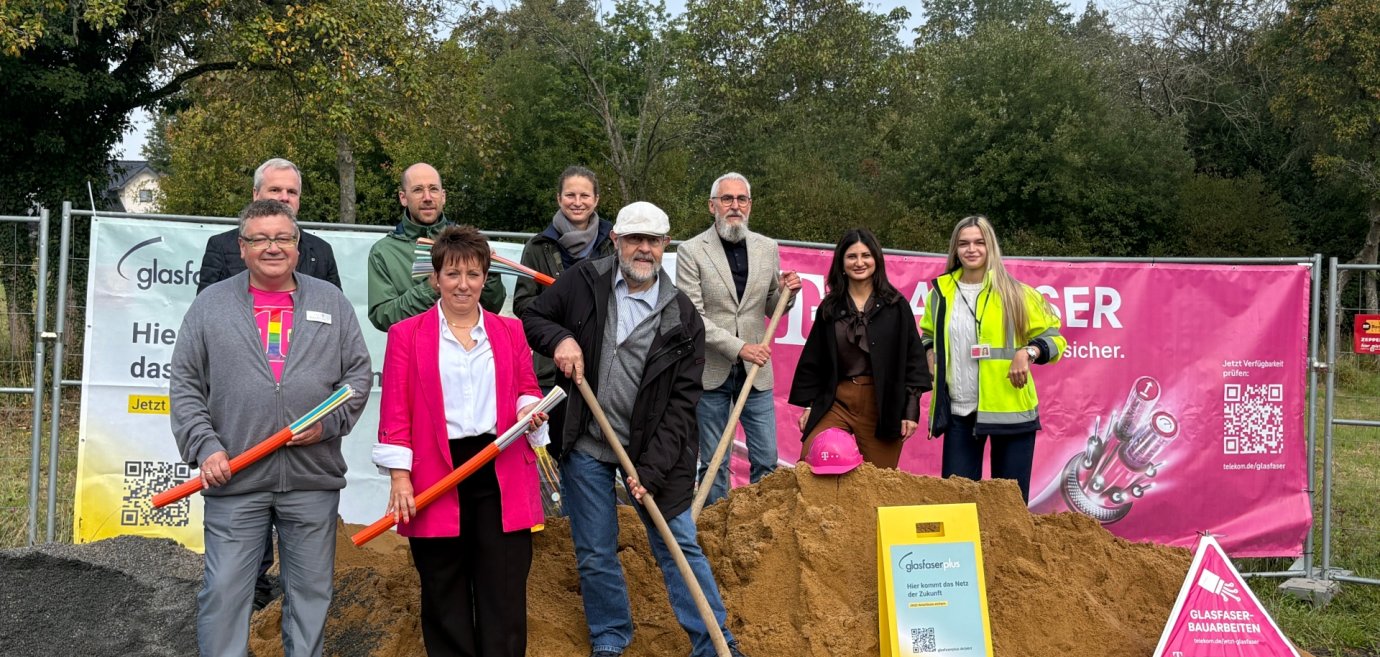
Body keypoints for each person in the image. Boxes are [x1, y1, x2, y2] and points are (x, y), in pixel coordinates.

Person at [522, 202, 751, 657]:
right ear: (616, 241)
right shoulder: (583, 283)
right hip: (586, 439)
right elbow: (534, 316)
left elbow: (683, 406)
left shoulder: (682, 316)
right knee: (594, 548)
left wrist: (650, 470)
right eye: (635, 240)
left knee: (678, 543)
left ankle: (713, 641)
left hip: (655, 451)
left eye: (653, 241)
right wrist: (562, 339)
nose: (643, 249)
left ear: (666, 247)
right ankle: (609, 636)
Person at [170, 199, 372, 657]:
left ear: (298, 247)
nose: (272, 247)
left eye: (283, 238)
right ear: (242, 248)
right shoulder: (210, 306)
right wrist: (206, 448)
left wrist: (326, 425)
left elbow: (357, 377)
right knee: (224, 593)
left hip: (310, 478)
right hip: (236, 478)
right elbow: (185, 386)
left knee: (310, 597)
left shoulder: (331, 302)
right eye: (260, 239)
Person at [373, 225, 548, 657]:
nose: (463, 284)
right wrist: (400, 478)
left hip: (500, 469)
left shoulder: (509, 332)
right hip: (436, 474)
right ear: (435, 279)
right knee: (443, 593)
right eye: (452, 274)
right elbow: (395, 411)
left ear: (486, 278)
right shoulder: (406, 335)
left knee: (503, 594)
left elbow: (527, 388)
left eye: (473, 274)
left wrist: (529, 408)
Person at [920, 215, 1065, 502]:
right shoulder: (940, 293)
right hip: (961, 412)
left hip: (1010, 410)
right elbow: (927, 333)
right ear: (955, 249)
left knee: (1008, 507)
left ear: (991, 248)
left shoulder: (1018, 293)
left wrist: (1029, 352)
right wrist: (928, 350)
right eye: (963, 243)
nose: (971, 249)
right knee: (957, 503)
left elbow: (1056, 340)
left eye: (979, 242)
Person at [675, 172, 800, 505]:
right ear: (712, 206)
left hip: (756, 375)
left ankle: (761, 525)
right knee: (714, 463)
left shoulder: (767, 248)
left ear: (750, 206)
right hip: (712, 372)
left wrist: (790, 292)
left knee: (766, 459)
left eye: (741, 199)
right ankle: (716, 533)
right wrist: (739, 348)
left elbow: (774, 306)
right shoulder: (691, 251)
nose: (734, 206)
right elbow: (693, 317)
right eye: (727, 199)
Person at [788, 227, 931, 469]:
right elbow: (815, 360)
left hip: (881, 405)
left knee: (879, 480)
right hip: (837, 401)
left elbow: (914, 360)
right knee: (811, 464)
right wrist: (810, 405)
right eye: (852, 256)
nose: (859, 262)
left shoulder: (896, 306)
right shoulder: (830, 308)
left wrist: (910, 410)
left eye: (866, 255)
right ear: (841, 264)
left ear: (876, 259)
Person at [512, 165, 616, 391]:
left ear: (596, 199)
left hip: (602, 364)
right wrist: (562, 306)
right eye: (570, 195)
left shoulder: (613, 244)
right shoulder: (538, 247)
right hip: (552, 365)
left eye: (585, 195)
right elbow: (522, 304)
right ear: (559, 198)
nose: (577, 202)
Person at [367, 162, 505, 332]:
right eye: (418, 190)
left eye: (433, 189)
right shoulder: (384, 252)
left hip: (467, 349)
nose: (427, 197)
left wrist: (490, 275)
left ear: (443, 196)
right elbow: (382, 316)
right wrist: (429, 289)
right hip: (415, 352)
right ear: (403, 198)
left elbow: (492, 307)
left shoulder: (469, 244)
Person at [197, 158, 341, 293]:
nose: (284, 198)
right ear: (256, 194)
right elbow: (206, 310)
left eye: (292, 192)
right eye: (275, 190)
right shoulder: (221, 246)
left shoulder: (321, 251)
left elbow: (336, 310)